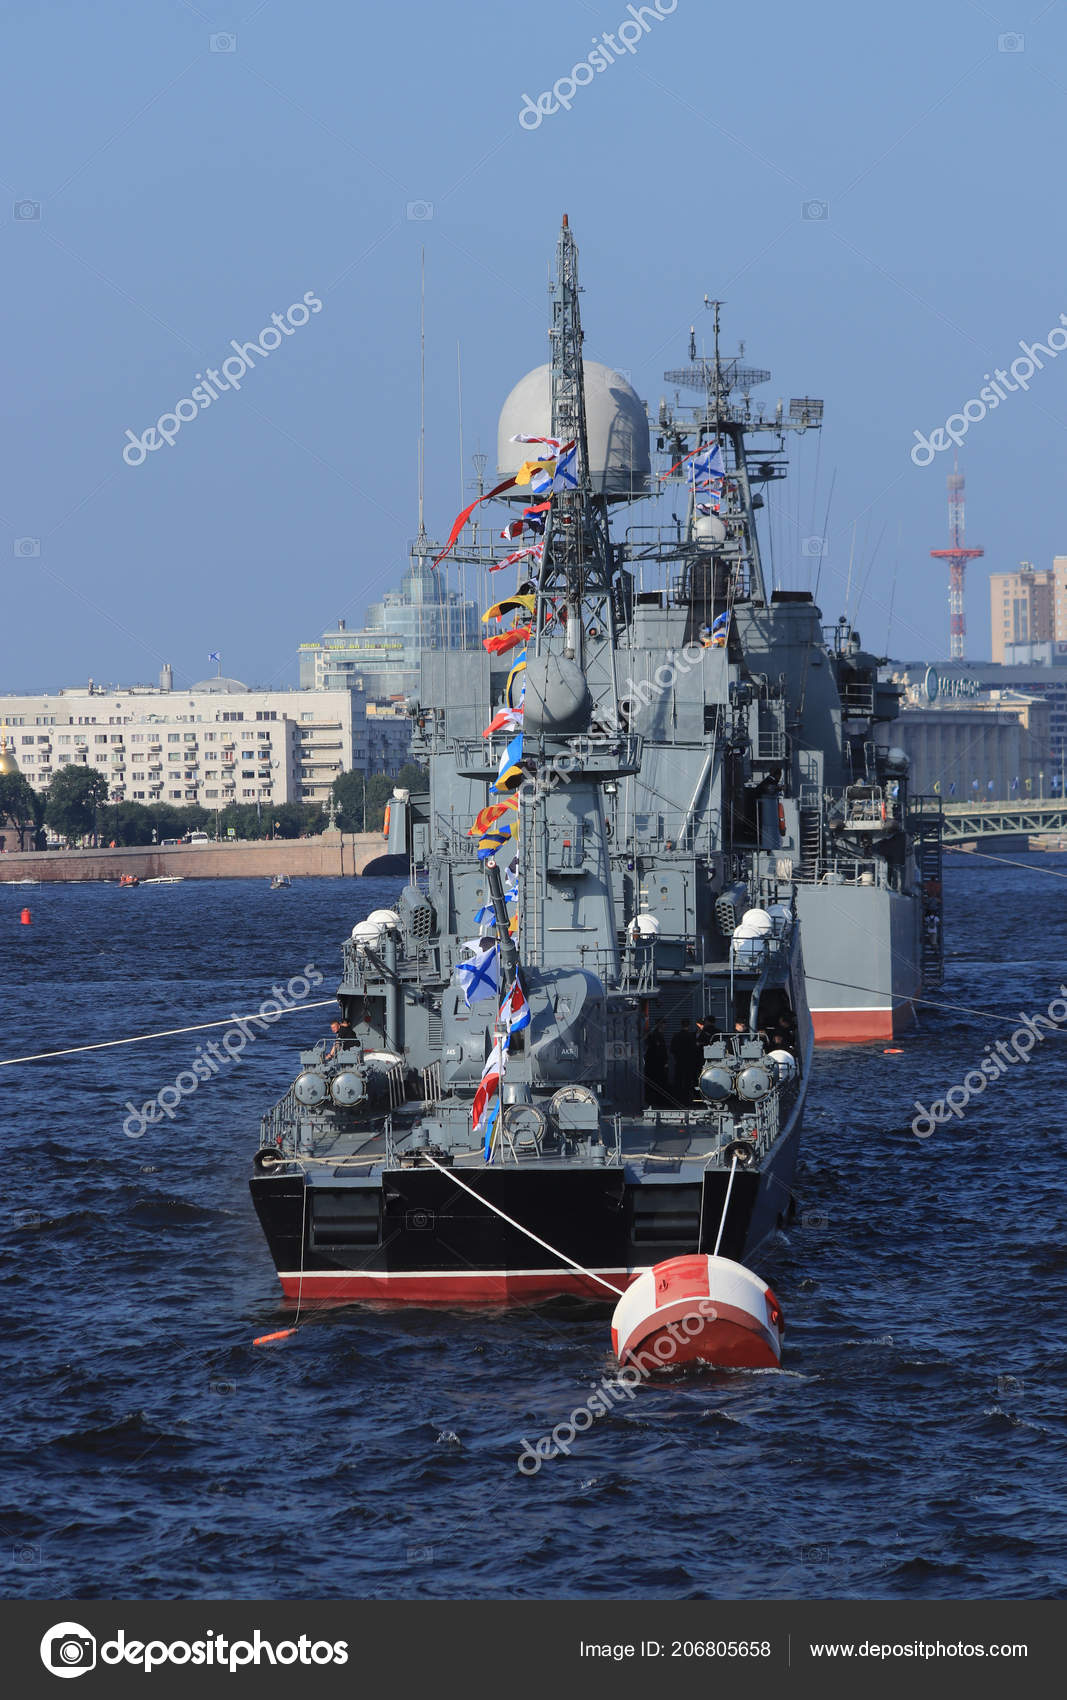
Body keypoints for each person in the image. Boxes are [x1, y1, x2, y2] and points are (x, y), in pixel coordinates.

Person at [669, 1018, 699, 1102]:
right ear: (688, 1026)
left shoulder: (676, 1036)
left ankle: (677, 1099)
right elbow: (694, 1050)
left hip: (679, 1061)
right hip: (689, 1063)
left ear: (681, 1025)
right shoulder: (691, 1037)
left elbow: (672, 1049)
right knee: (688, 1081)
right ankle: (687, 1099)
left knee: (678, 1080)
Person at [643, 1019, 670, 1107]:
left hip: (656, 1064)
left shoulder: (657, 1035)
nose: (664, 1026)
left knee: (657, 1082)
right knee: (658, 1082)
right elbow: (659, 1050)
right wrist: (664, 1061)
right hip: (656, 1064)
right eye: (663, 1024)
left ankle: (656, 1101)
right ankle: (657, 1101)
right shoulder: (655, 1035)